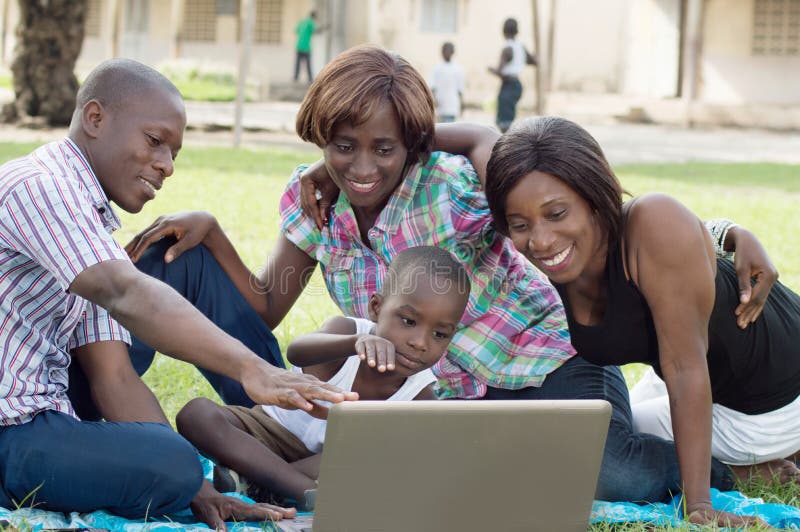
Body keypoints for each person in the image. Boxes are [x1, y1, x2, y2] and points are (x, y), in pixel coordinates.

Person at [125, 45, 775, 527]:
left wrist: (406, 135)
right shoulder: (312, 199)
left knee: (608, 473)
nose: (361, 166)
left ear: (410, 143)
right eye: (343, 145)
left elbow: (502, 143)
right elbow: (267, 303)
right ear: (322, 137)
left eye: (384, 148)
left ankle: (727, 467)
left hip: (555, 366)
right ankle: (225, 456)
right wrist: (212, 232)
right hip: (444, 396)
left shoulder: (450, 185)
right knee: (450, 465)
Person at [0, 58, 355, 530]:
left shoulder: (93, 226)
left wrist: (200, 491)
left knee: (176, 463)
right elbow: (127, 292)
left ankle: (277, 430)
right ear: (95, 119)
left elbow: (113, 377)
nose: (167, 166)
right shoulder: (37, 187)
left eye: (175, 153)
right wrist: (252, 368)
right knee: (173, 462)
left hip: (46, 414)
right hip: (11, 428)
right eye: (155, 141)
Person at [482, 115, 800, 527]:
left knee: (607, 459)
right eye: (520, 225)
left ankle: (758, 463)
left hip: (769, 397)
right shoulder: (564, 257)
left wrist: (698, 504)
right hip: (690, 368)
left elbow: (686, 368)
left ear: (595, 197)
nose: (540, 241)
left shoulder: (652, 220)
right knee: (599, 439)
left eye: (557, 213)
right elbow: (479, 140)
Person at [176, 246, 470, 510]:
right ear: (377, 308)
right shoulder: (346, 330)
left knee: (378, 455)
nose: (420, 342)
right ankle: (304, 492)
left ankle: (267, 484)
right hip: (268, 431)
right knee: (196, 414)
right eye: (408, 321)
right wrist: (353, 343)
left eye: (439, 334)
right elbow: (297, 352)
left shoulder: (421, 393)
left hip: (330, 461)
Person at [488, 17, 536, 133]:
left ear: (503, 31)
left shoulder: (507, 48)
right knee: (509, 118)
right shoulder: (521, 46)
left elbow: (500, 72)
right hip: (517, 85)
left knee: (504, 123)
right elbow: (533, 62)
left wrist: (491, 70)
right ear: (517, 31)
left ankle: (507, 147)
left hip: (508, 85)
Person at [429, 42, 465, 123]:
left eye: (448, 50)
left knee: (450, 129)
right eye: (444, 50)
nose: (446, 53)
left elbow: (460, 90)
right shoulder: (437, 68)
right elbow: (432, 87)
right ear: (441, 52)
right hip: (440, 105)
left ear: (453, 52)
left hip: (452, 105)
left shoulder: (458, 69)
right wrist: (434, 100)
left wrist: (462, 106)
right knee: (440, 129)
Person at [294, 11, 320, 83]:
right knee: (308, 64)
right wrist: (324, 28)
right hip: (306, 47)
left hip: (299, 45)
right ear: (314, 17)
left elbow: (296, 30)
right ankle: (310, 78)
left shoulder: (302, 21)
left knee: (297, 63)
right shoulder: (311, 23)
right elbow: (315, 31)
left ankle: (296, 77)